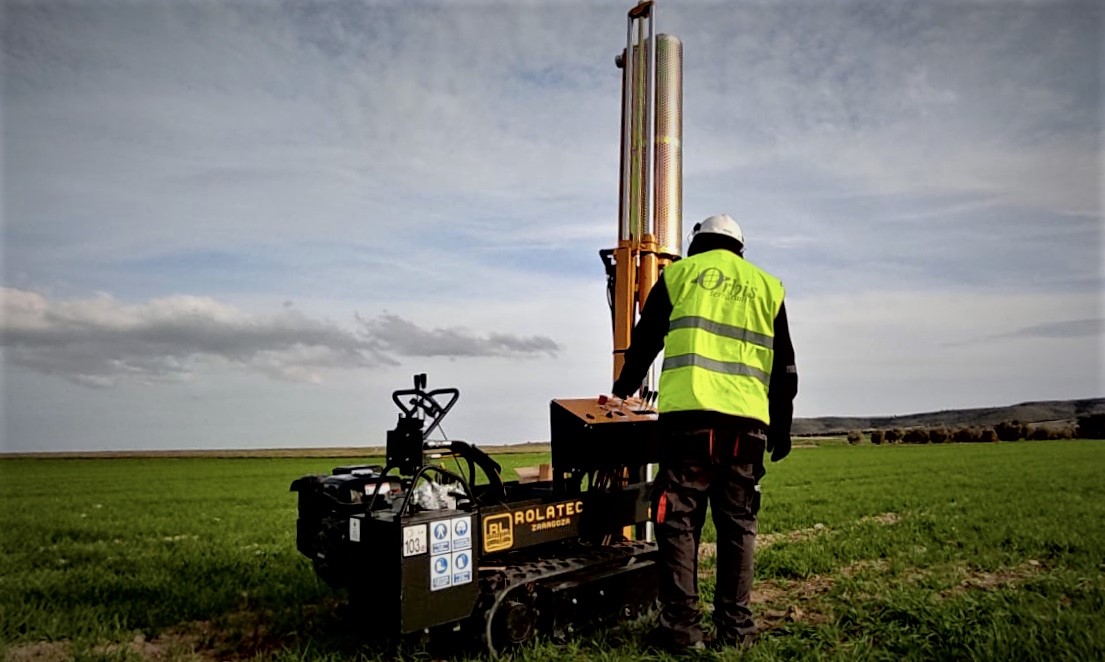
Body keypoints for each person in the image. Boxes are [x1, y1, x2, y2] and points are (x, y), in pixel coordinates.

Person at [611, 213, 798, 652]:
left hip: (689, 426)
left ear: (698, 244)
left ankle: (680, 630)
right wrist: (782, 426)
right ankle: (735, 631)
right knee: (737, 529)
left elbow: (644, 343)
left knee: (677, 524)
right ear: (739, 247)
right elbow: (785, 368)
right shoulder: (767, 286)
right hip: (747, 428)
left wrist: (621, 393)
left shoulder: (679, 275)